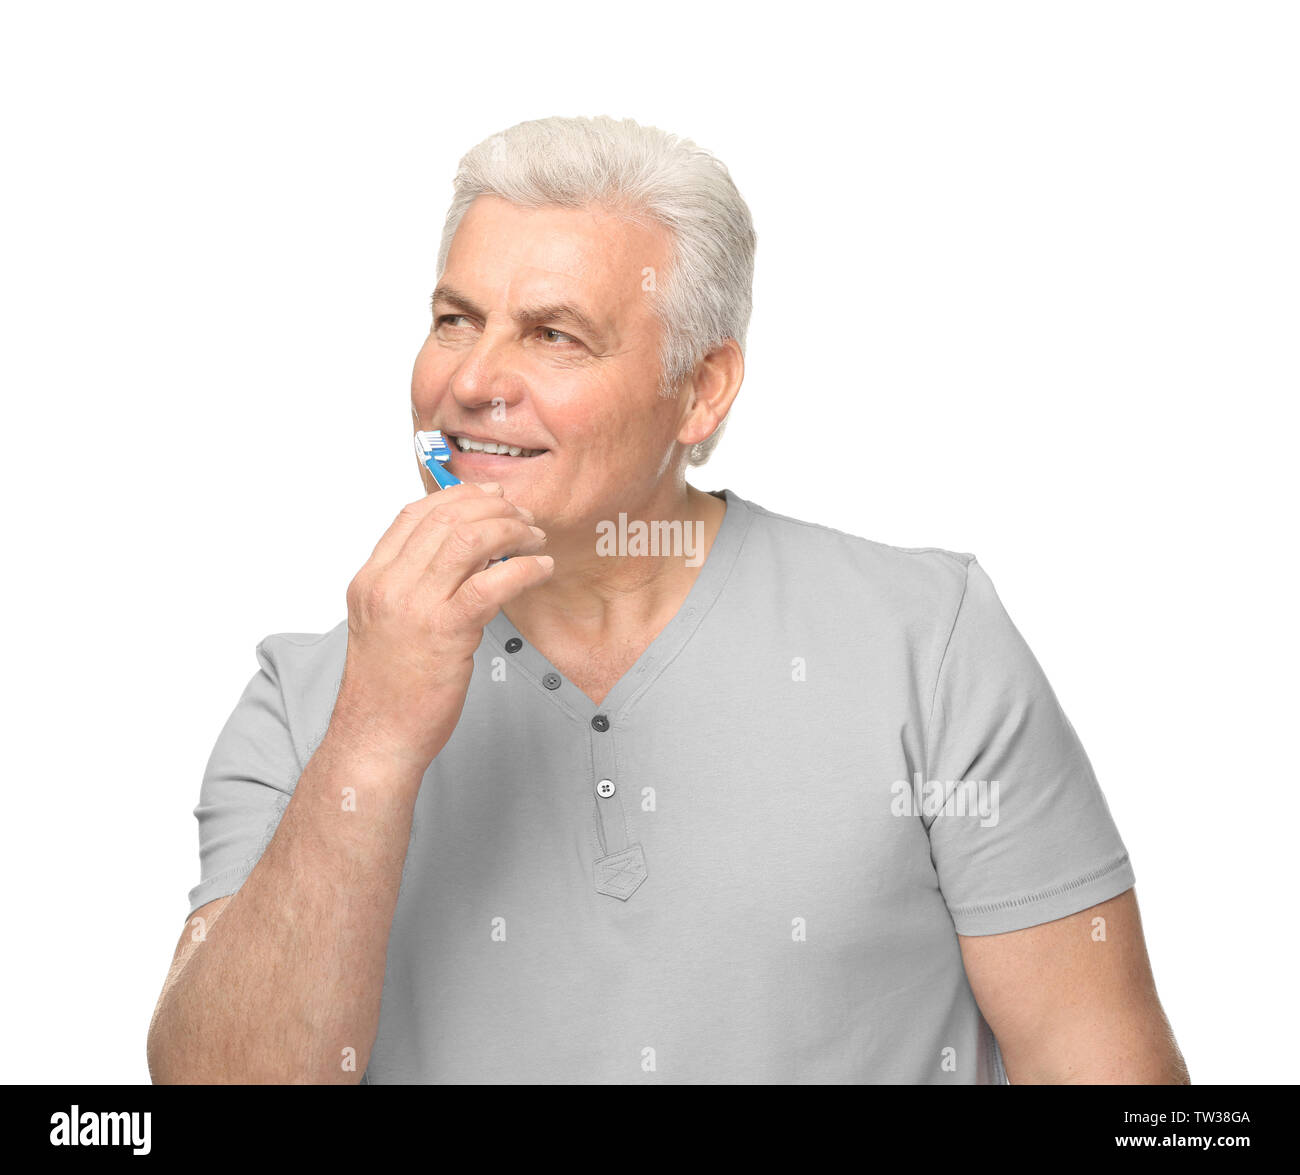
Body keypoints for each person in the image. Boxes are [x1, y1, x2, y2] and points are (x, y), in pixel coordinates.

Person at [146, 115, 1188, 1084]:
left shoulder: (931, 640)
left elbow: (1110, 1078)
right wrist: (370, 736)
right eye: (454, 321)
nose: (473, 383)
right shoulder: (303, 696)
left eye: (554, 335)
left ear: (700, 390)